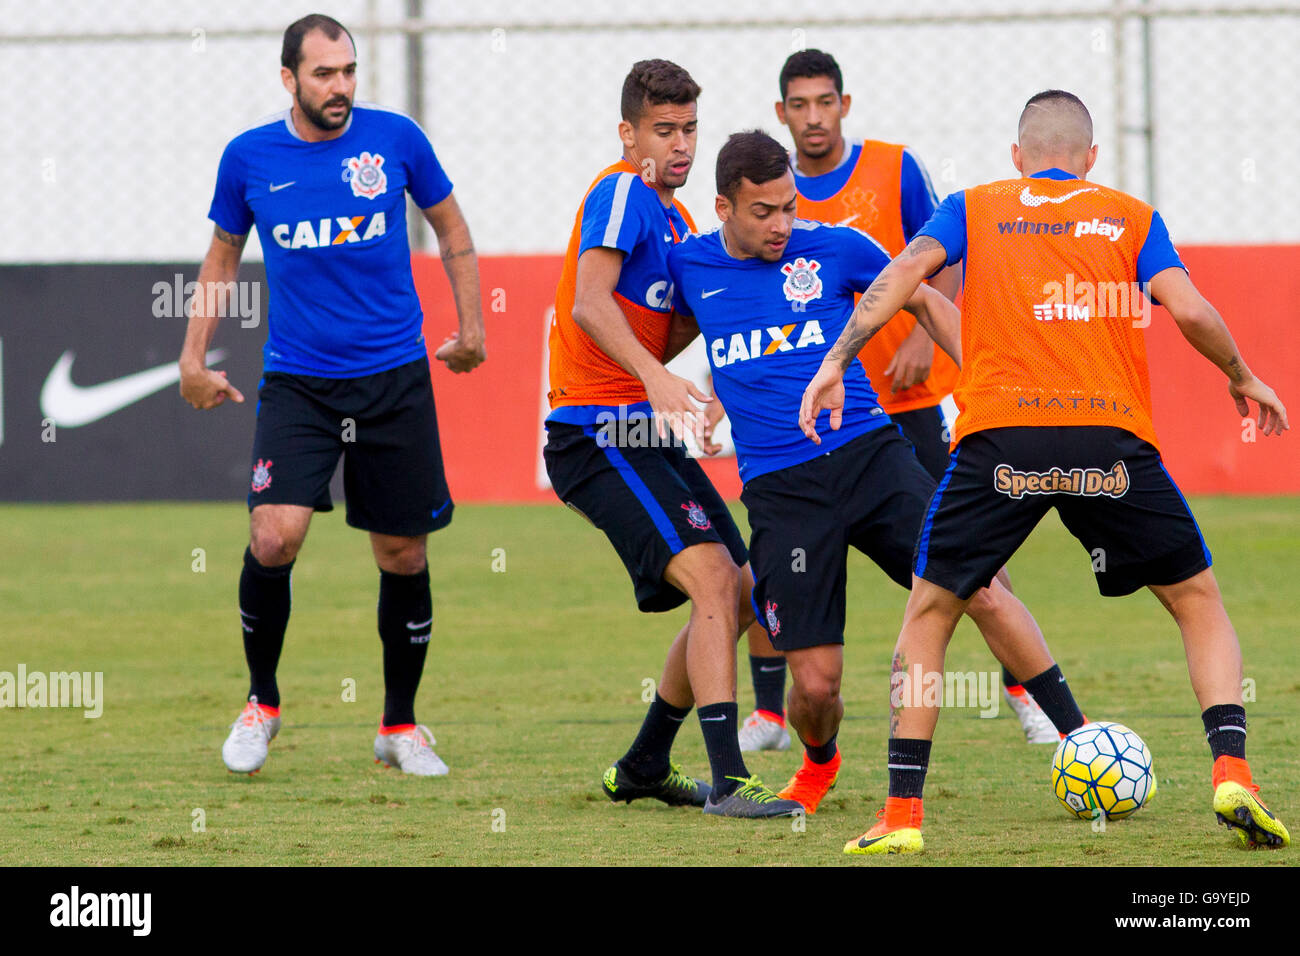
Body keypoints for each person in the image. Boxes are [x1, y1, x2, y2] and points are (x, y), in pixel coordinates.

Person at [801, 90, 1290, 853]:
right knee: (1197, 600)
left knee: (929, 614)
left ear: (1016, 156)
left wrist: (835, 362)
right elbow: (1190, 310)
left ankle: (901, 819)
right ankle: (1232, 772)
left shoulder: (975, 206)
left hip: (1003, 446)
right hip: (1109, 445)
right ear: (1090, 159)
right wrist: (1240, 373)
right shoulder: (1130, 215)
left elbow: (903, 273)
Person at [668, 130, 1088, 817]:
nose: (782, 225)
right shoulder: (689, 267)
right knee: (816, 687)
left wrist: (986, 384)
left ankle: (1081, 735)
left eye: (788, 207)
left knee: (978, 583)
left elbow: (923, 299)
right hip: (782, 490)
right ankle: (820, 759)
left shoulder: (837, 247)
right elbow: (676, 332)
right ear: (722, 208)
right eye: (763, 212)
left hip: (872, 457)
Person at [178, 14, 486, 777]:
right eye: (324, 74)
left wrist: (472, 325)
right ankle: (262, 704)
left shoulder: (397, 140)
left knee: (402, 553)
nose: (341, 86)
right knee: (272, 538)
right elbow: (221, 260)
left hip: (394, 377)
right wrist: (192, 358)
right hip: (299, 382)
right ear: (290, 80)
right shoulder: (248, 158)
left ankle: (399, 726)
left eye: (348, 70)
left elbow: (452, 231)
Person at [735, 49, 1057, 752]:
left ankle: (1025, 693)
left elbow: (945, 254)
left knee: (975, 550)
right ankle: (770, 712)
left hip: (907, 405)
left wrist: (924, 328)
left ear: (844, 106)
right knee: (779, 561)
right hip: (817, 425)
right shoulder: (772, 195)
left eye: (825, 102)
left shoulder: (893, 168)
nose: (813, 116)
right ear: (782, 113)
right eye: (800, 104)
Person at [544, 61, 802, 818]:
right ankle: (730, 782)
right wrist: (658, 377)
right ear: (629, 134)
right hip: (596, 429)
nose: (681, 143)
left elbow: (685, 316)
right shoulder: (623, 190)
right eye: (664, 129)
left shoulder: (683, 223)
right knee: (717, 585)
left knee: (742, 587)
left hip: (640, 430)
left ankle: (647, 762)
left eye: (690, 127)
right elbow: (592, 305)